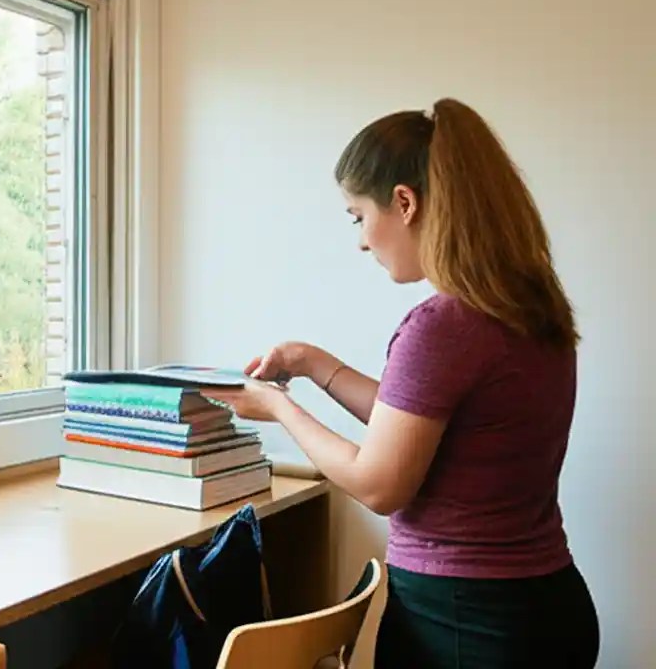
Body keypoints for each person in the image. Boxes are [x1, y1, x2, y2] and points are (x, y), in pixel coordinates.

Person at [209, 98, 599, 668]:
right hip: (544, 606)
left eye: (358, 216)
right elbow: (425, 424)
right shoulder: (529, 307)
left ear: (405, 202)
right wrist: (315, 364)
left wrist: (280, 410)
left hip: (466, 623)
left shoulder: (443, 325)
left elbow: (380, 484)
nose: (362, 241)